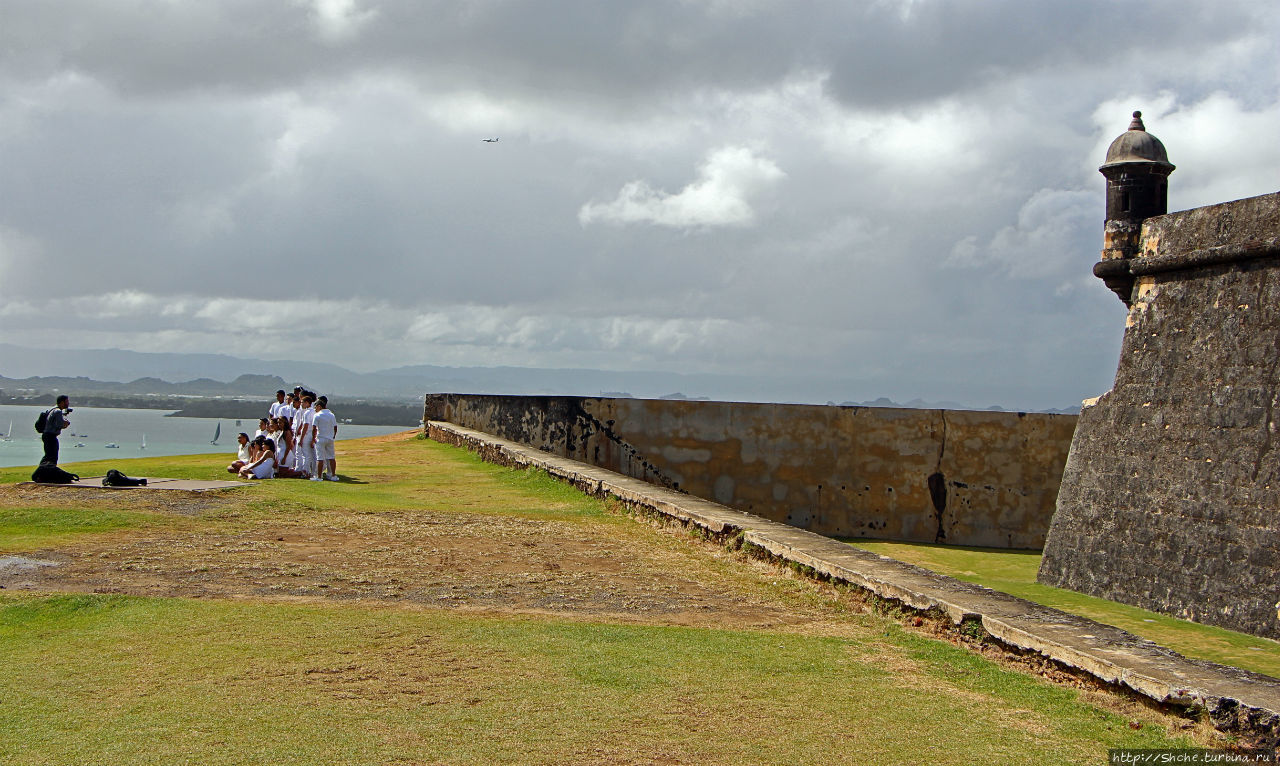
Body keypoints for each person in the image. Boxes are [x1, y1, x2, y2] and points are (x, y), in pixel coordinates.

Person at [311, 396, 339, 482]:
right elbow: (335, 427)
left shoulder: (317, 415)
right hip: (329, 438)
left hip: (320, 438)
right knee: (331, 457)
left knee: (320, 458)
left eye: (315, 406)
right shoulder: (331, 415)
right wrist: (333, 435)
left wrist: (313, 438)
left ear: (319, 406)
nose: (315, 408)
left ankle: (319, 477)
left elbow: (314, 428)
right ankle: (333, 475)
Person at [40, 395, 72, 466]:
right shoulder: (58, 411)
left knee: (48, 456)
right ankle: (46, 472)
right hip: (50, 436)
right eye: (66, 401)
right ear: (62, 402)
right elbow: (59, 425)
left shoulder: (52, 409)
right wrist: (66, 424)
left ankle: (43, 472)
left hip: (47, 435)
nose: (68, 403)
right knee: (52, 457)